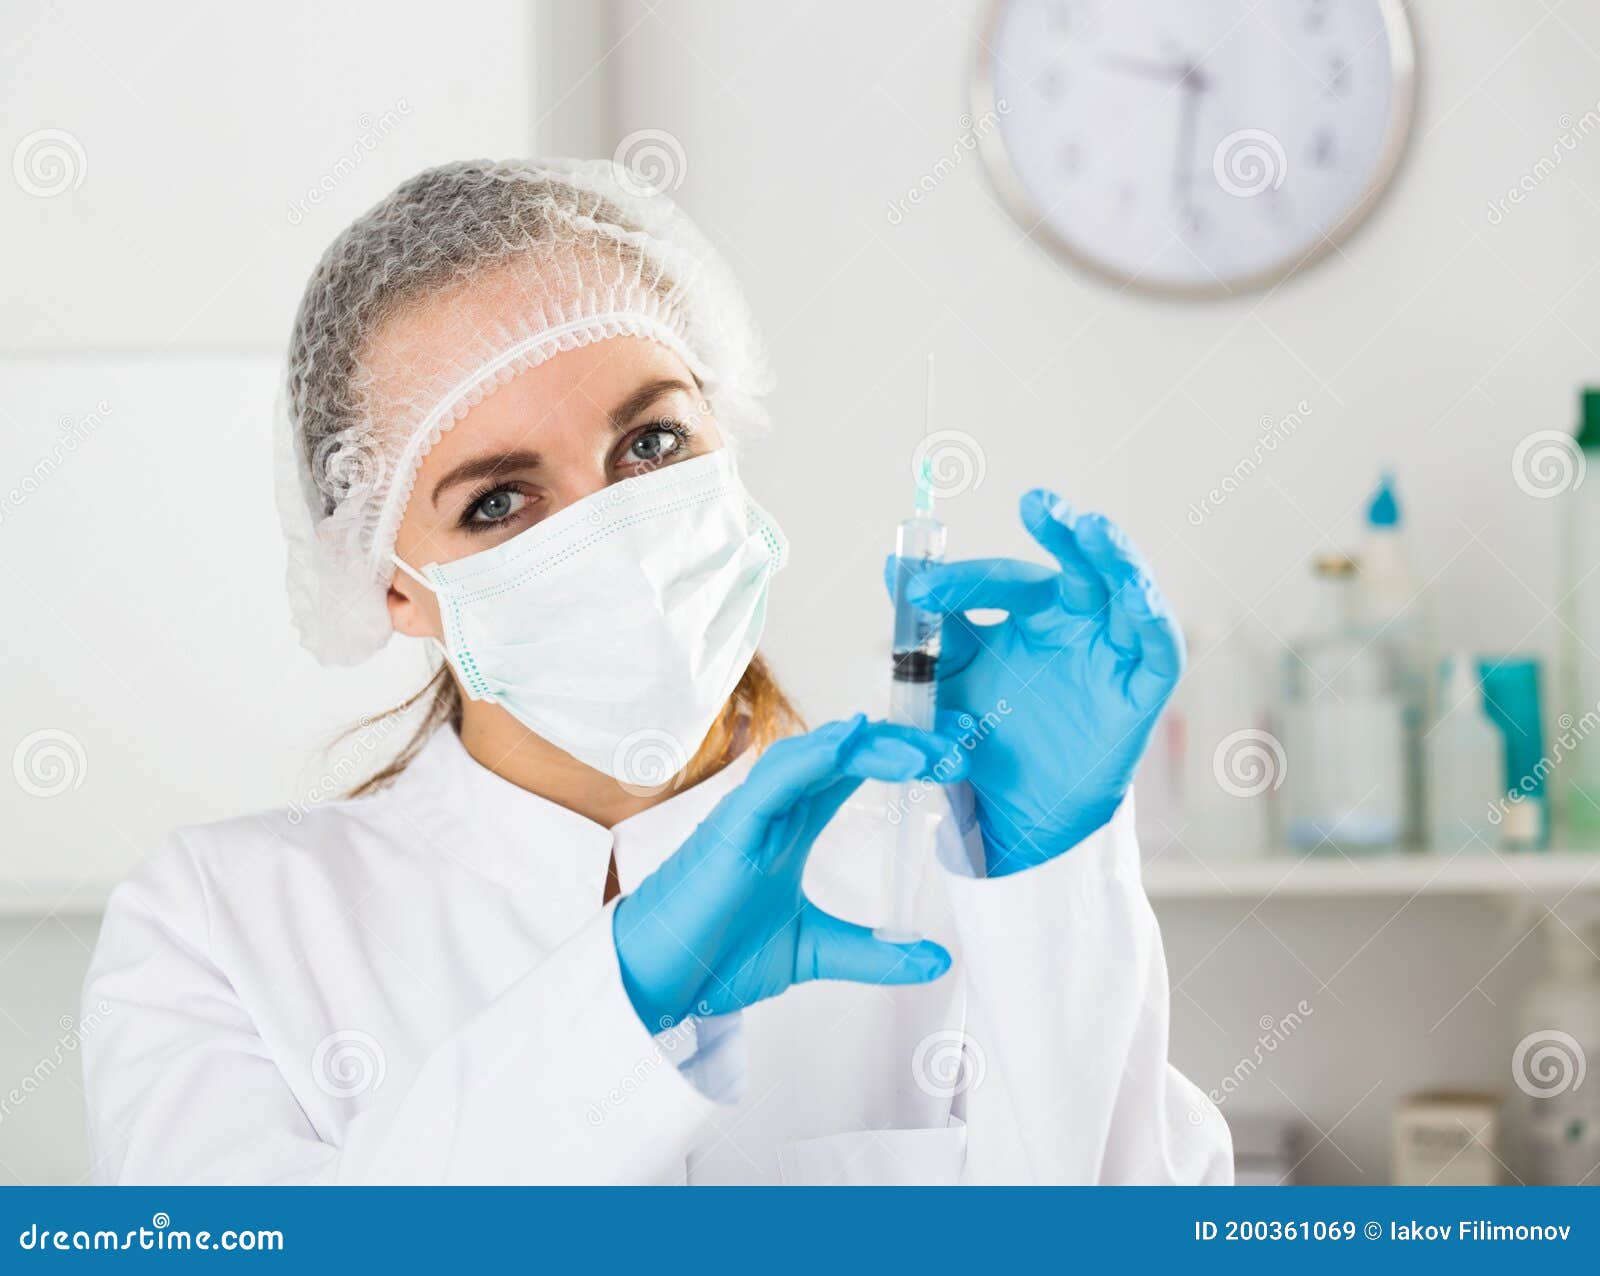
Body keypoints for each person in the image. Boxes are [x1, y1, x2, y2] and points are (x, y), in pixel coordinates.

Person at [80, 159, 1230, 1185]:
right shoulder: (224, 928)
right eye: (498, 500)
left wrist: (1049, 887)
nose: (618, 530)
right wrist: (620, 999)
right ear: (389, 584)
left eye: (652, 442)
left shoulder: (936, 870)